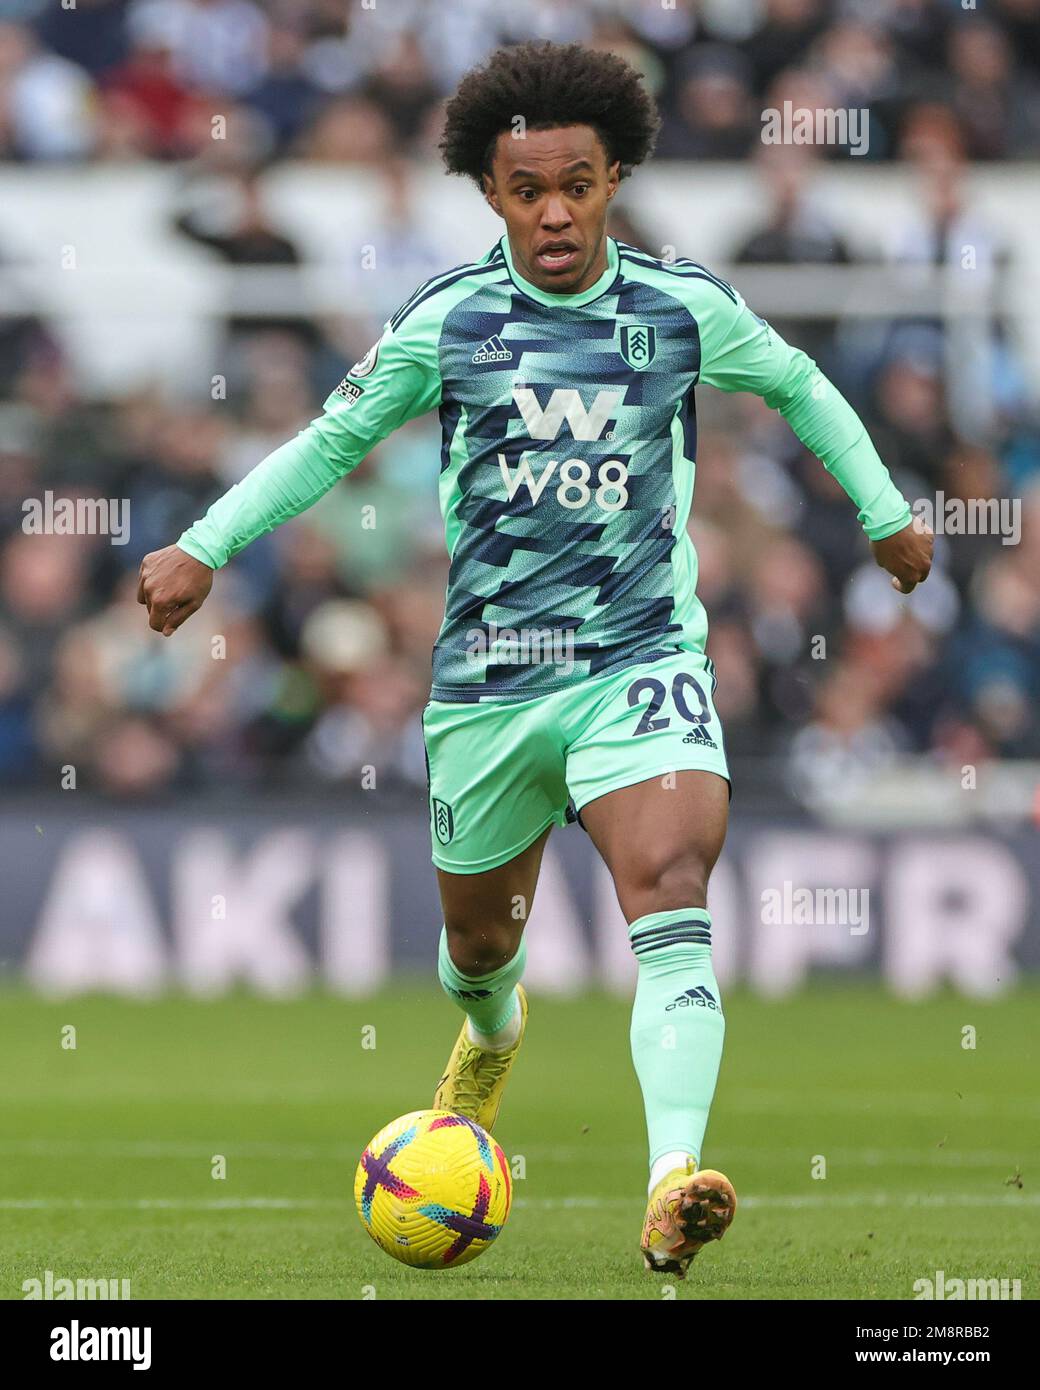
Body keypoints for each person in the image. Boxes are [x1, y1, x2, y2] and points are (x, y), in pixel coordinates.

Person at [138, 40, 933, 1277]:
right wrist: (203, 543)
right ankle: (489, 1039)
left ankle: (673, 1180)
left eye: (576, 183)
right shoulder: (446, 322)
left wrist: (882, 509)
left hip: (639, 661)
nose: (552, 211)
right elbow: (326, 445)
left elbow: (799, 382)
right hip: (487, 688)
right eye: (526, 190)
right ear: (489, 193)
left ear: (613, 177)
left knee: (669, 889)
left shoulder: (678, 310)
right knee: (475, 953)